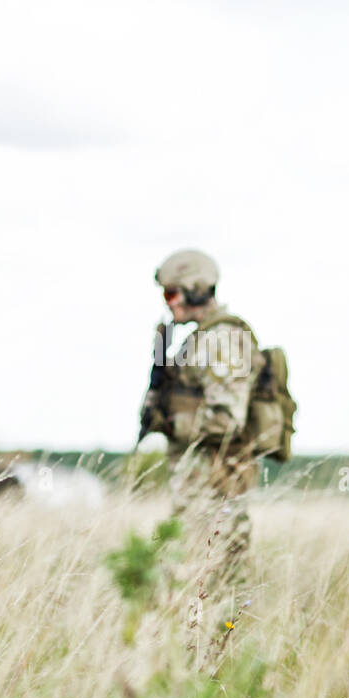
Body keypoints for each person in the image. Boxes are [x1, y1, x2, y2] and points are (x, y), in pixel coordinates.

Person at [140, 249, 265, 641]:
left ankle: (217, 673)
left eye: (172, 294)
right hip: (198, 493)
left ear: (195, 290)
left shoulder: (224, 338)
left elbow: (227, 419)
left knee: (218, 597)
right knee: (191, 592)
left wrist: (172, 423)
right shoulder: (196, 339)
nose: (168, 303)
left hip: (215, 493)